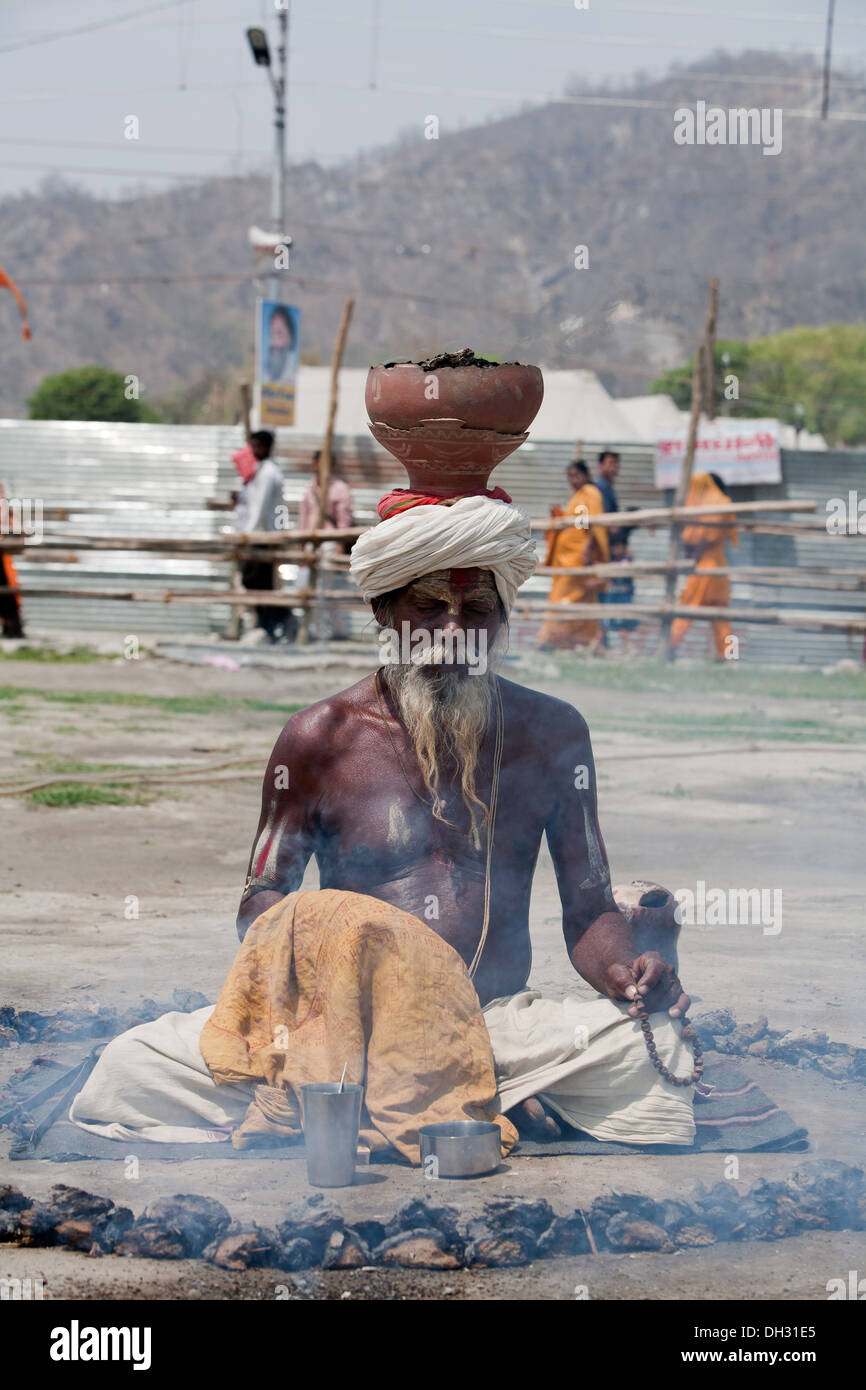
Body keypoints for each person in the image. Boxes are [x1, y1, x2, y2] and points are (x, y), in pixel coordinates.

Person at [69, 487, 694, 1153]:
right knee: (131, 1068)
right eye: (429, 607)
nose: (454, 630)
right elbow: (261, 899)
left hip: (489, 1024)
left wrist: (628, 974)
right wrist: (328, 948)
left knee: (656, 1052)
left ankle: (376, 1109)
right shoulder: (318, 738)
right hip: (336, 1028)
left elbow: (590, 908)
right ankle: (473, 1102)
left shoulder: (554, 734)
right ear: (383, 610)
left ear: (503, 620)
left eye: (477, 609)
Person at [537, 468, 610, 651]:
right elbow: (576, 522)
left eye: (577, 475)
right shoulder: (576, 497)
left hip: (578, 559)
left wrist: (587, 549)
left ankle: (550, 638)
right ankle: (580, 642)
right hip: (565, 559)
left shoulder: (590, 493)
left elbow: (592, 524)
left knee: (566, 599)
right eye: (570, 476)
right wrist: (559, 515)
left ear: (586, 475)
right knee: (575, 599)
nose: (573, 479)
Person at [233, 430, 293, 645]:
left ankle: (280, 618)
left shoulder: (268, 473)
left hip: (263, 535)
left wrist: (245, 535)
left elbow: (259, 507)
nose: (254, 451)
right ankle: (269, 622)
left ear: (266, 447)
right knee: (258, 581)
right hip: (261, 533)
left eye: (257, 446)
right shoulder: (261, 470)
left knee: (256, 579)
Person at [670, 472, 738, 662]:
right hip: (719, 570)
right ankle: (728, 656)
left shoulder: (714, 504)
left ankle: (669, 647)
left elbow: (706, 537)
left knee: (686, 610)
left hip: (705, 568)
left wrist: (694, 552)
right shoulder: (716, 503)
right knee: (721, 615)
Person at [298, 451, 355, 640]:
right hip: (311, 543)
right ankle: (313, 630)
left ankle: (336, 631)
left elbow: (344, 520)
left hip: (329, 543)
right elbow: (304, 518)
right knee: (309, 588)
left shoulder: (340, 488)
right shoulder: (310, 488)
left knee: (327, 589)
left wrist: (340, 544)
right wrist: (302, 543)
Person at [603, 527, 639, 655]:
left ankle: (626, 647)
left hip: (623, 598)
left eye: (620, 546)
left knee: (624, 624)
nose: (617, 549)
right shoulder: (612, 560)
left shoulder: (625, 561)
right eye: (615, 547)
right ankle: (602, 645)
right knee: (606, 622)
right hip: (613, 596)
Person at [0, 481, 24, 639]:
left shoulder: (7, 511)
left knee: (5, 582)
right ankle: (11, 623)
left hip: (3, 558)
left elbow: (19, 532)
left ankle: (11, 623)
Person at [263, 305, 298, 385]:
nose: (274, 342)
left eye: (279, 333)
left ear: (290, 338)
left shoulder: (294, 375)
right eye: (272, 334)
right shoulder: (266, 374)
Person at [594, 449, 621, 515]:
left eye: (616, 463)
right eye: (611, 463)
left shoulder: (609, 487)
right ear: (600, 465)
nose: (613, 467)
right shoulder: (602, 487)